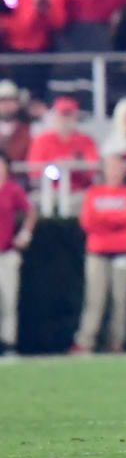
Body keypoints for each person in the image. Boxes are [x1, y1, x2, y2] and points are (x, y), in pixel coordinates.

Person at [71, 156, 126, 354]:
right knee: (94, 299)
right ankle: (85, 341)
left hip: (124, 251)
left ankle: (116, 342)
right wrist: (114, 221)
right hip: (97, 252)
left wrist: (103, 220)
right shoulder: (94, 193)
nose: (114, 172)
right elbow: (87, 221)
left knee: (120, 300)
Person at [0, 153, 35, 357]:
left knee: (9, 299)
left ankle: (9, 342)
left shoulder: (12, 190)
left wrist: (24, 234)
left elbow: (30, 211)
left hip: (7, 253)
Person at [25, 96, 99, 193]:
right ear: (55, 116)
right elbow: (34, 171)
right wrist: (56, 170)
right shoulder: (42, 140)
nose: (65, 119)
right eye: (62, 114)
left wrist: (75, 165)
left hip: (80, 189)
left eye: (69, 115)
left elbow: (92, 168)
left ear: (75, 116)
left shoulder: (85, 140)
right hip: (48, 191)